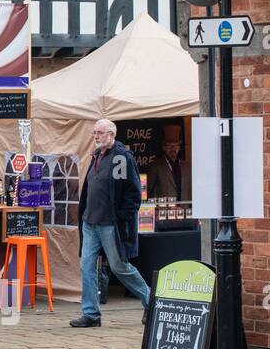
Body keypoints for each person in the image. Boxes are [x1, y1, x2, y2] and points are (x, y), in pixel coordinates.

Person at [72, 119, 150, 328]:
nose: (96, 136)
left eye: (100, 132)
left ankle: (151, 302)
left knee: (119, 267)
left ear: (111, 135)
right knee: (86, 266)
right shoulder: (97, 156)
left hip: (109, 225)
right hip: (90, 222)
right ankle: (90, 314)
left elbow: (133, 195)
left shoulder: (121, 158)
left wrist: (120, 219)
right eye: (94, 132)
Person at [146, 124, 190, 200]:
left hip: (184, 211)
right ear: (164, 148)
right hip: (164, 210)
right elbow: (146, 191)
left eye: (175, 146)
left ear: (179, 148)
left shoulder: (187, 167)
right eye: (169, 146)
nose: (173, 149)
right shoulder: (155, 166)